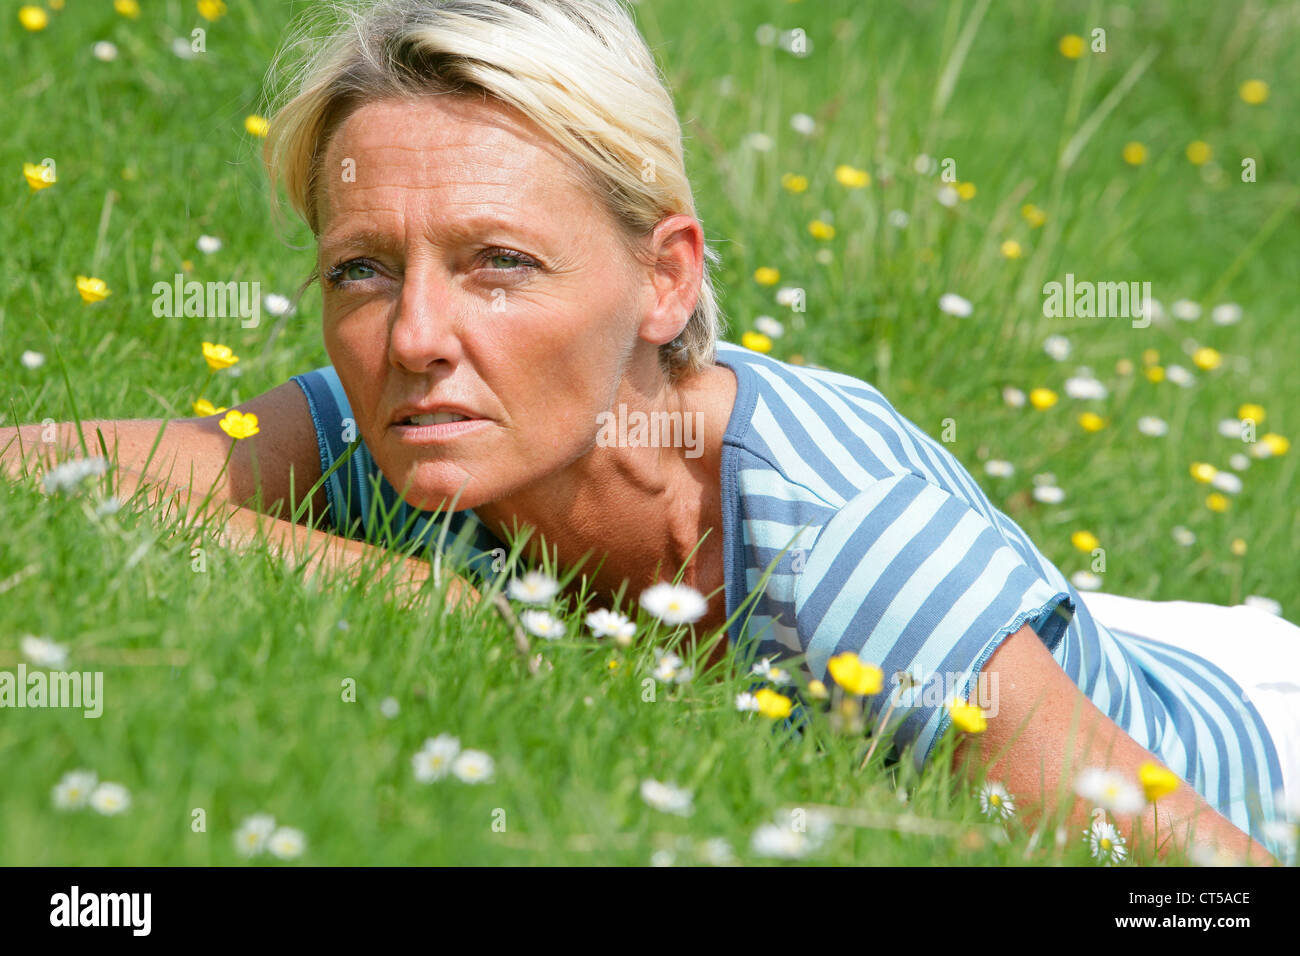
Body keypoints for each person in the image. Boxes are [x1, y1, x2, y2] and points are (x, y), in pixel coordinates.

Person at [4, 0, 1294, 865]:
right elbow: (55, 472)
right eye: (362, 270)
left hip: (1245, 743)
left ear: (665, 278)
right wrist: (413, 594)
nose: (414, 338)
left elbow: (1205, 871)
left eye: (500, 261)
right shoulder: (395, 423)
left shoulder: (855, 564)